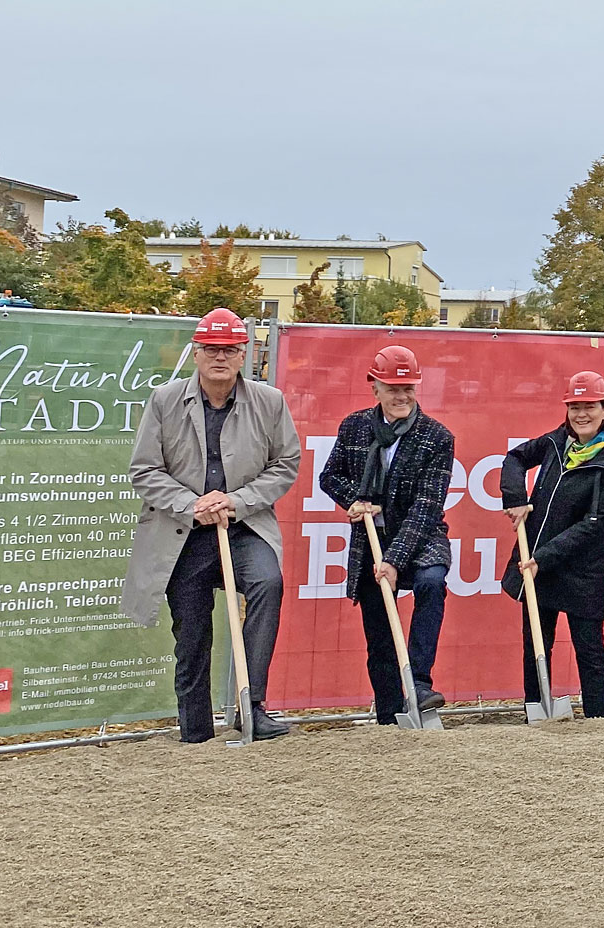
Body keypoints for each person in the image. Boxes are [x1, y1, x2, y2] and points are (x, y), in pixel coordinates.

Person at [122, 308, 300, 743]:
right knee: (192, 632)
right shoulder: (164, 401)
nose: (220, 357)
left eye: (229, 350)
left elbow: (285, 463)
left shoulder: (270, 402)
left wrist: (237, 500)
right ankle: (196, 731)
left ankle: (252, 708)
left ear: (243, 355)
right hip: (182, 532)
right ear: (196, 353)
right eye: (211, 349)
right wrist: (192, 504)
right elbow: (145, 470)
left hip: (246, 527)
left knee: (268, 583)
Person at [318, 345, 455, 723]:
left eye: (408, 388)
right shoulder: (354, 426)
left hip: (420, 535)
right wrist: (356, 499)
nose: (401, 396)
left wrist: (394, 560)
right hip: (370, 539)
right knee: (379, 634)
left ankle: (420, 682)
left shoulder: (437, 437)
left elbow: (427, 506)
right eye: (393, 388)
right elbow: (329, 476)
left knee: (431, 582)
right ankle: (390, 716)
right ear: (374, 387)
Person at [500, 370, 604, 720]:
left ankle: (597, 722)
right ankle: (536, 714)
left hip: (583, 570)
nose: (581, 414)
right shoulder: (557, 441)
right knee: (536, 647)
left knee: (589, 650)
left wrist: (543, 557)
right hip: (538, 565)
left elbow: (595, 523)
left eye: (589, 406)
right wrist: (516, 498)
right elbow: (514, 458)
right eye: (575, 407)